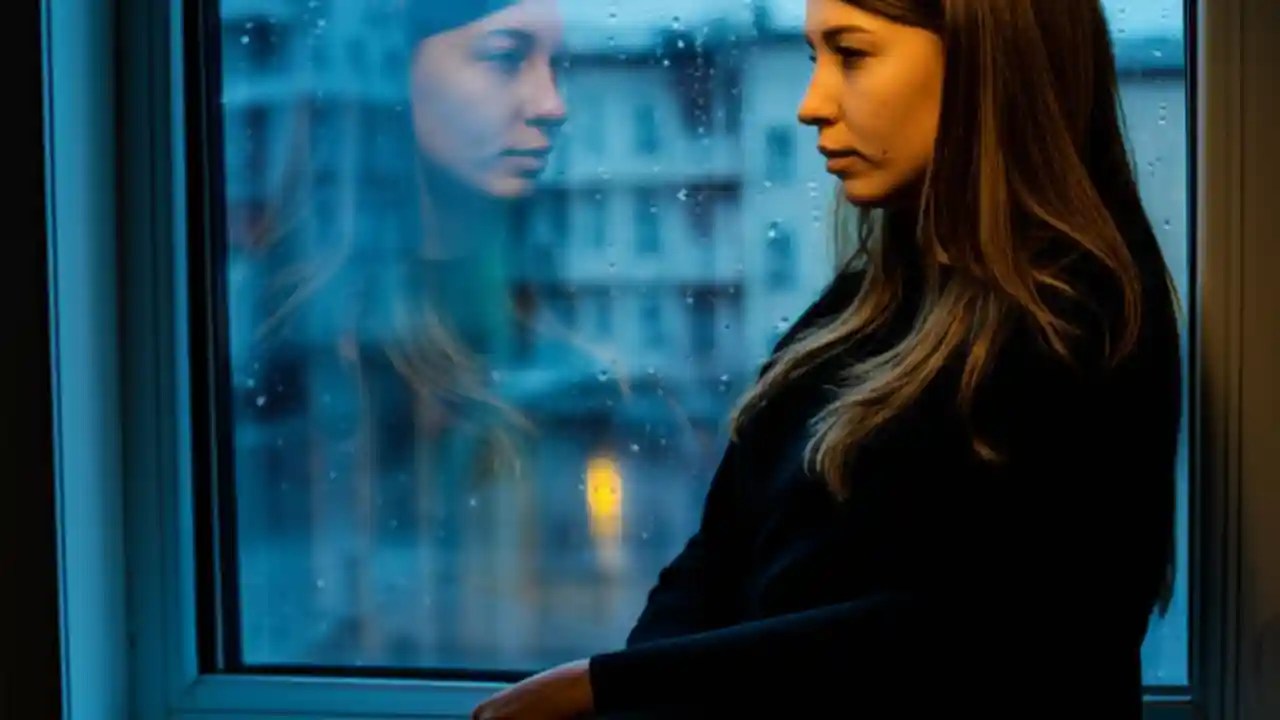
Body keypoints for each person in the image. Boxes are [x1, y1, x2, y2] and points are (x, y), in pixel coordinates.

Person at [471, 0, 1182, 717]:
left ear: (984, 62)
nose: (812, 105)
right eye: (816, 59)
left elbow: (970, 636)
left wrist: (605, 686)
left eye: (853, 53)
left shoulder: (1084, 320)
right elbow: (715, 556)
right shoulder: (856, 310)